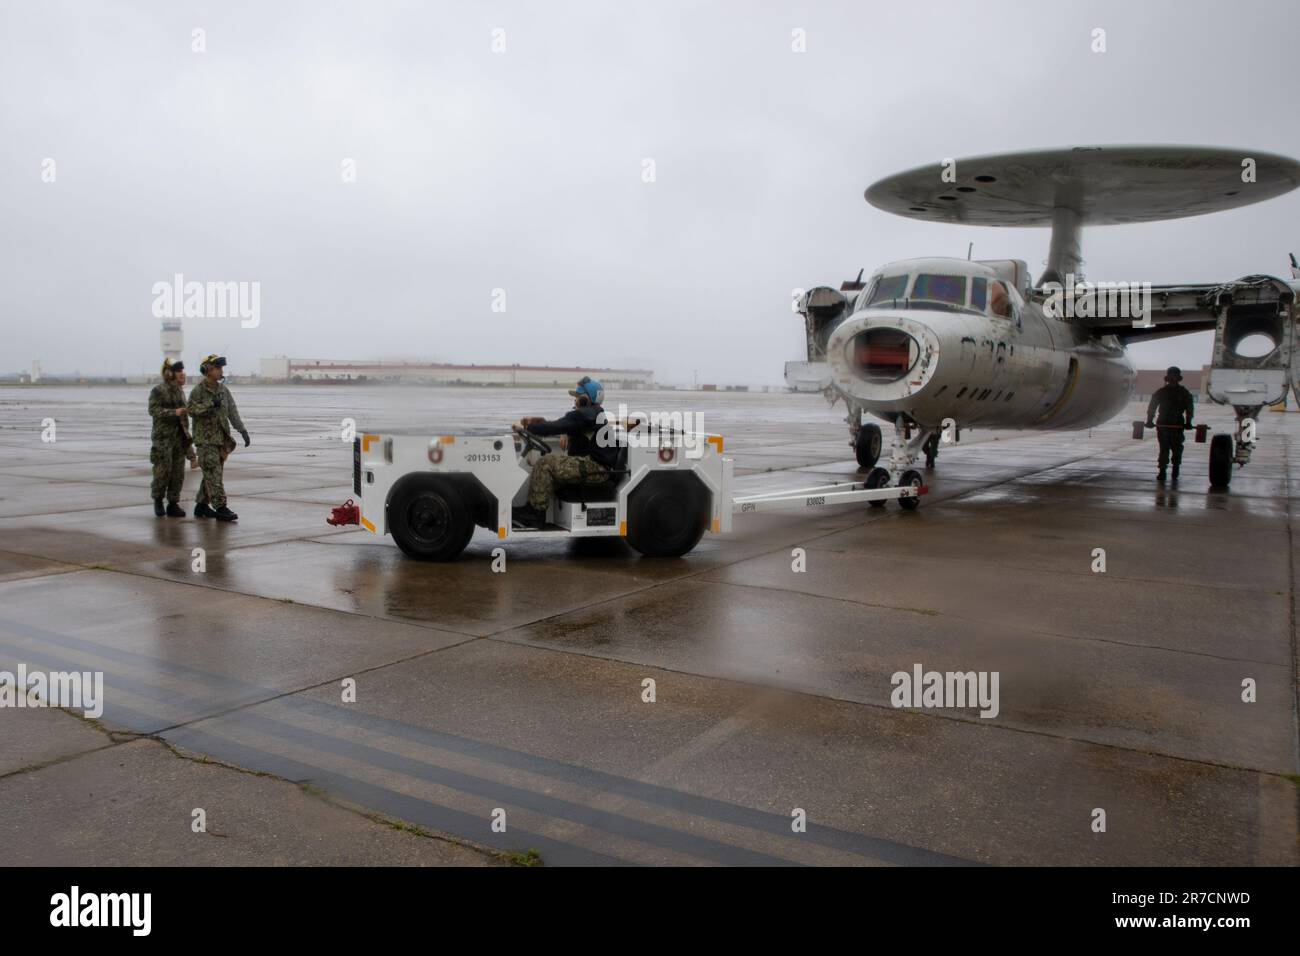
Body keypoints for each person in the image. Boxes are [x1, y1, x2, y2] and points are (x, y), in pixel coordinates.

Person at [511, 377, 619, 528]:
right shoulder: (593, 414)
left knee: (545, 463)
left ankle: (535, 515)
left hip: (595, 469)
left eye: (577, 397)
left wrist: (526, 428)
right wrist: (564, 432)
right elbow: (565, 425)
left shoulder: (586, 414)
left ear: (585, 399)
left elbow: (557, 426)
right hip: (597, 467)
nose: (574, 401)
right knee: (550, 462)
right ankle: (532, 509)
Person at [187, 354, 250, 521]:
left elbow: (232, 411)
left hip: (221, 440)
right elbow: (191, 410)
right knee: (214, 474)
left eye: (221, 368)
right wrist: (209, 405)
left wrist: (242, 430)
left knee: (213, 473)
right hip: (205, 441)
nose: (221, 371)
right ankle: (220, 507)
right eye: (218, 368)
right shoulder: (198, 391)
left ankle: (201, 505)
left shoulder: (223, 390)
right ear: (208, 370)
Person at [147, 359, 196, 516]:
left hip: (179, 439)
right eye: (178, 370)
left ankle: (173, 503)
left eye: (183, 370)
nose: (183, 373)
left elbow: (184, 422)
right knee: (162, 472)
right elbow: (153, 410)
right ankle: (158, 501)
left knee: (178, 474)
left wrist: (190, 450)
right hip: (163, 440)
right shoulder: (158, 390)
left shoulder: (180, 392)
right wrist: (172, 413)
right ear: (170, 373)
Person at [1145, 365, 1195, 482]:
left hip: (1176, 424)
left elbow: (1189, 409)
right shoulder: (1163, 392)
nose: (1172, 379)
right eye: (1171, 376)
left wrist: (1188, 422)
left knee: (1176, 448)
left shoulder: (1182, 393)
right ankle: (1163, 470)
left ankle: (1175, 468)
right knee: (1165, 448)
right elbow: (1152, 407)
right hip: (1164, 424)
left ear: (1177, 378)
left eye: (1174, 376)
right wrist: (1149, 420)